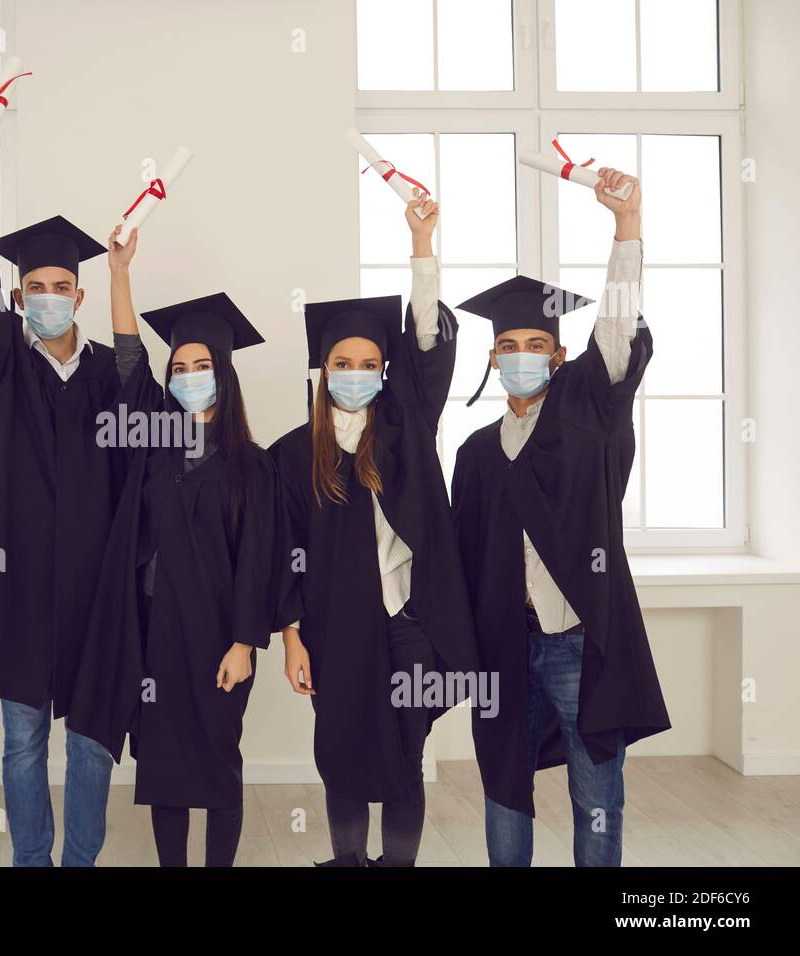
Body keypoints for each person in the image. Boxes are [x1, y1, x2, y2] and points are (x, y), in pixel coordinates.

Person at [450, 168, 670, 867]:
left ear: (561, 354)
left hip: (579, 639)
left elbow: (616, 324)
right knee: (503, 787)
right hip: (504, 644)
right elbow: (460, 557)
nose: (521, 358)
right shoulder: (476, 452)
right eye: (508, 348)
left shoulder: (588, 412)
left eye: (535, 345)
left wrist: (625, 227)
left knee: (596, 790)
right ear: (491, 356)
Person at [269, 193, 480, 867]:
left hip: (410, 624)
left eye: (368, 363)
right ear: (322, 370)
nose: (355, 374)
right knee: (342, 750)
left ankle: (398, 865)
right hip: (334, 628)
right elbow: (285, 556)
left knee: (405, 751)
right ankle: (349, 861)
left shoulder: (407, 430)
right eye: (342, 363)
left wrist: (421, 246)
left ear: (384, 371)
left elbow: (427, 347)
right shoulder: (292, 454)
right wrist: (291, 638)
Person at [0, 122, 131, 866]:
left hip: (94, 593)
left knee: (90, 744)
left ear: (78, 294)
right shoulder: (2, 373)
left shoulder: (108, 378)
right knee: (22, 741)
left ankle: (79, 862)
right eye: (35, 289)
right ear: (17, 297)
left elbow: (141, 400)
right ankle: (31, 862)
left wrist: (125, 274)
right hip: (15, 585)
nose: (48, 298)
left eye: (61, 288)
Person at [72, 225, 278, 867]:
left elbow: (260, 565)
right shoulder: (154, 438)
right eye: (180, 368)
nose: (189, 377)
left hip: (219, 637)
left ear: (225, 373)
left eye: (202, 366)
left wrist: (245, 643)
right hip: (154, 634)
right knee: (159, 763)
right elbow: (130, 359)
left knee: (218, 759)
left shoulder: (253, 465)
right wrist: (120, 273)